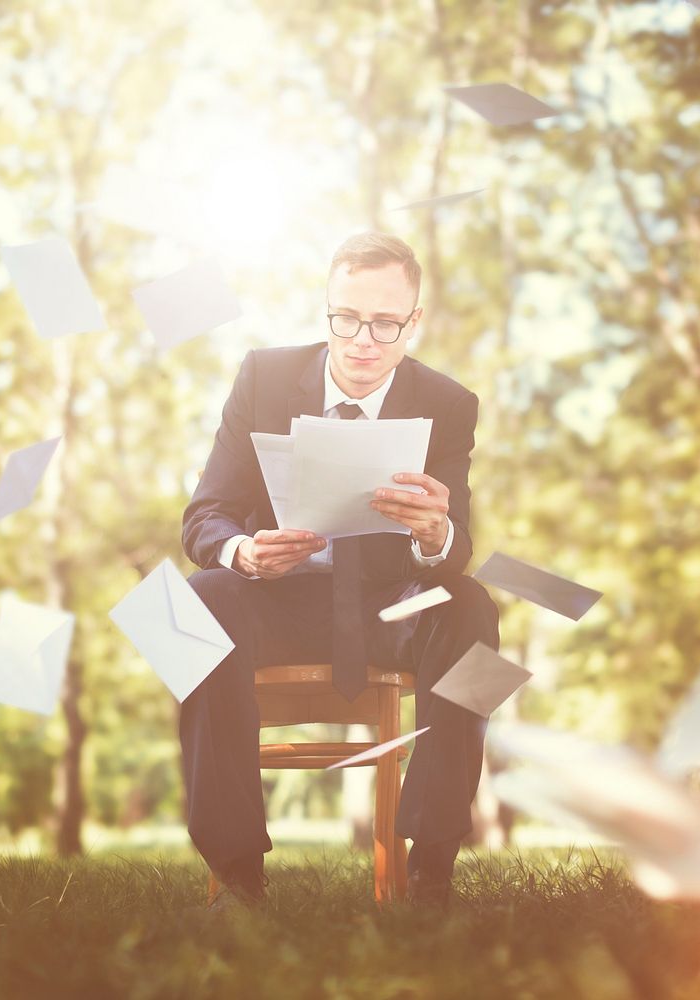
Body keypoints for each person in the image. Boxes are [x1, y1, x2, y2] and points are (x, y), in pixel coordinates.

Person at [180, 231, 499, 909]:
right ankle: (237, 875)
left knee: (473, 608)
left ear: (414, 322)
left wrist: (436, 532)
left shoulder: (449, 403)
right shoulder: (263, 377)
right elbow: (204, 516)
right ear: (326, 309)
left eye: (386, 324)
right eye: (346, 318)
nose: (363, 342)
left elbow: (458, 544)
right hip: (278, 604)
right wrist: (245, 552)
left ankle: (433, 864)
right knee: (190, 606)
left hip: (390, 610)